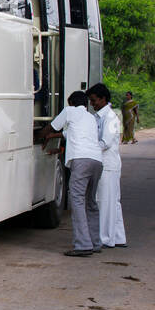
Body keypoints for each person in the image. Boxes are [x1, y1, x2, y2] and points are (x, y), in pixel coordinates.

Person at [43, 90, 103, 256]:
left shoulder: (70, 111)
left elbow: (52, 126)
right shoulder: (90, 118)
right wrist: (57, 142)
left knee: (76, 200)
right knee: (90, 202)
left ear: (71, 103)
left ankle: (83, 245)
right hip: (97, 161)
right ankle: (95, 242)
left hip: (81, 161)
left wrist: (40, 136)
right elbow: (69, 134)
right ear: (85, 104)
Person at [87, 83, 126, 248]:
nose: (92, 104)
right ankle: (117, 237)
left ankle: (104, 238)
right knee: (112, 202)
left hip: (108, 165)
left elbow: (106, 142)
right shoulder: (99, 116)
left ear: (103, 99)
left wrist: (87, 148)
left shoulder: (109, 117)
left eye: (94, 100)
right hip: (106, 164)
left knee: (105, 201)